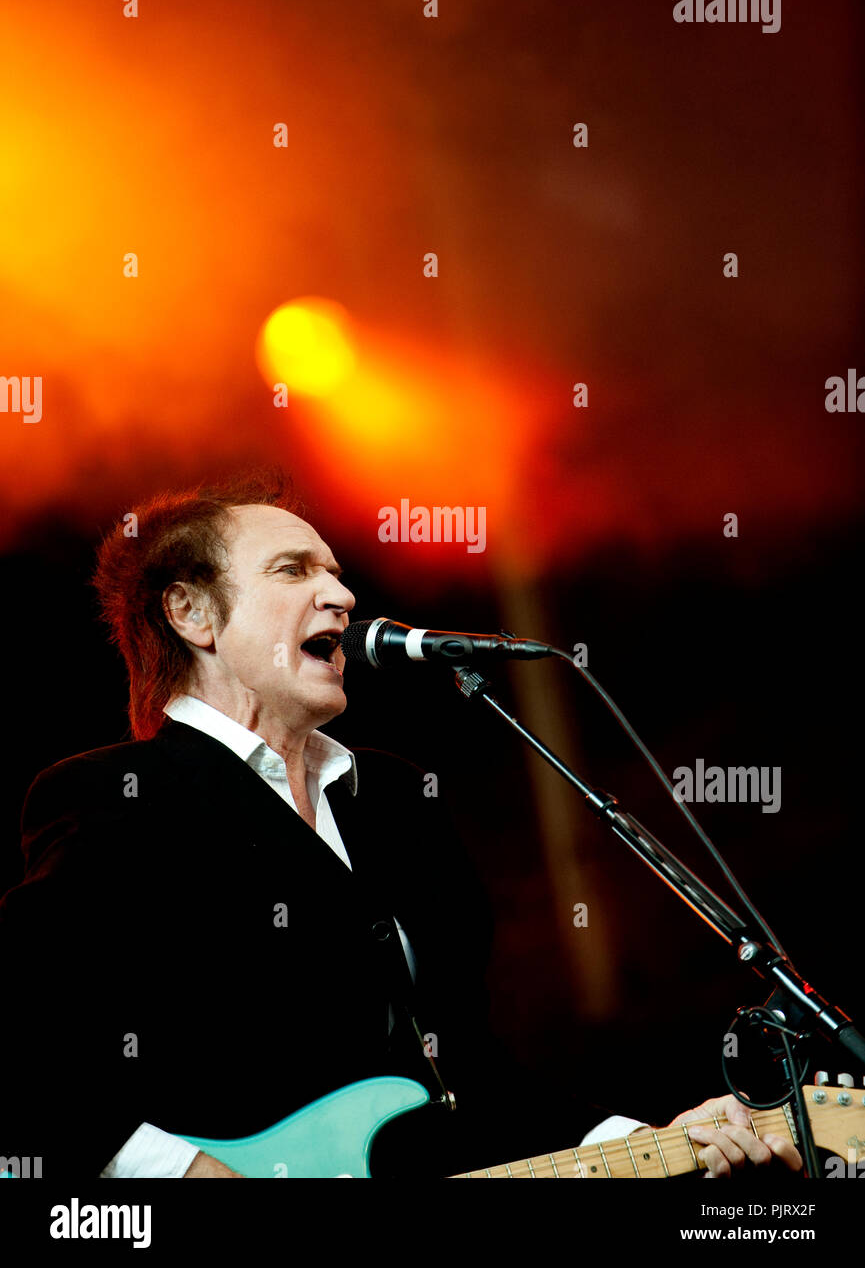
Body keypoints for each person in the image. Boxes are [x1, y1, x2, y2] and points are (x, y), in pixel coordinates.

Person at [0, 474, 802, 1180]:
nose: (341, 596)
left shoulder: (393, 798)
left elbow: (470, 1070)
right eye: (295, 570)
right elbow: (26, 1042)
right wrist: (182, 1171)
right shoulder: (114, 796)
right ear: (192, 612)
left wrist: (649, 1140)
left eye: (338, 574)